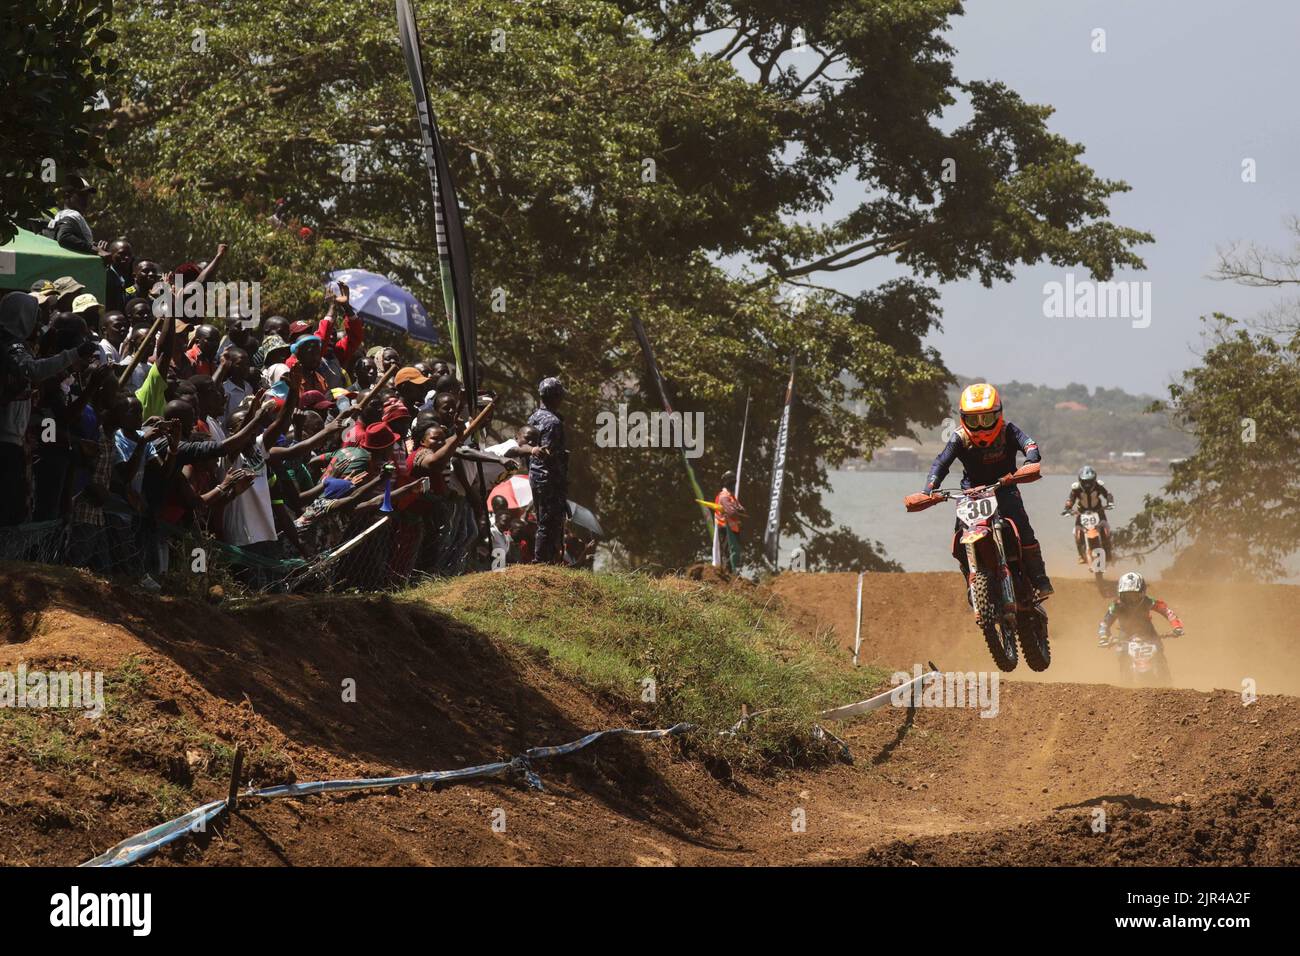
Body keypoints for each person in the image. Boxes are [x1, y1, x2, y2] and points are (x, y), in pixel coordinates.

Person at [921, 382, 1053, 597]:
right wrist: (929, 489)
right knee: (959, 538)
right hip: (971, 495)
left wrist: (1030, 461)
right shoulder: (959, 437)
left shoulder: (1008, 430)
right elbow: (941, 463)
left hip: (1005, 488)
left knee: (1024, 529)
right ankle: (972, 584)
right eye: (974, 420)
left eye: (987, 418)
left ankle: (1040, 579)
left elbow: (1029, 444)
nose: (981, 427)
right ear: (964, 419)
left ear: (998, 415)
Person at [0, 292, 98, 525]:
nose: (39, 324)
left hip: (26, 448)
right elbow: (53, 420)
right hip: (28, 452)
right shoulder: (15, 349)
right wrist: (70, 442)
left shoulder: (48, 364)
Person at [527, 376, 567, 563]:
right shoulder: (553, 422)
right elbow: (547, 453)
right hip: (548, 477)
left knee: (544, 518)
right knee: (549, 520)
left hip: (535, 474)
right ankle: (542, 560)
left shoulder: (533, 417)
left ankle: (545, 558)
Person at [1098, 571, 1184, 645]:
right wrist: (1104, 636)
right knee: (1122, 654)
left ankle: (1161, 663)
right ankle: (1124, 664)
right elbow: (1105, 623)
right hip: (1125, 636)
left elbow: (1166, 611)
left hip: (1148, 633)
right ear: (1120, 594)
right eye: (1126, 596)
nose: (1130, 600)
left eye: (1134, 596)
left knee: (1158, 651)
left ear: (1142, 593)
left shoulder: (1148, 601)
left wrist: (1177, 626)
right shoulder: (1116, 606)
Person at [1062, 464, 1116, 564]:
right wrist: (1067, 508)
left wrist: (1110, 503)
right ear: (1080, 479)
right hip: (1081, 513)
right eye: (1085, 481)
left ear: (1094, 479)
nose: (1087, 483)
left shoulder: (1098, 486)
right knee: (1076, 532)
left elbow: (1107, 494)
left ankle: (1108, 553)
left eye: (1090, 480)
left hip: (1098, 511)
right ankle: (1081, 556)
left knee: (1106, 528)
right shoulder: (1076, 488)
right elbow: (1070, 500)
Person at [714, 470, 746, 572]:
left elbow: (741, 509)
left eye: (734, 480)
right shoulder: (724, 496)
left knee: (735, 552)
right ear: (726, 482)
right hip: (725, 528)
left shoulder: (731, 496)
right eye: (731, 481)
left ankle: (733, 573)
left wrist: (738, 510)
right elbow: (732, 512)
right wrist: (737, 510)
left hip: (733, 528)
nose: (733, 483)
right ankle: (728, 574)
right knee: (728, 552)